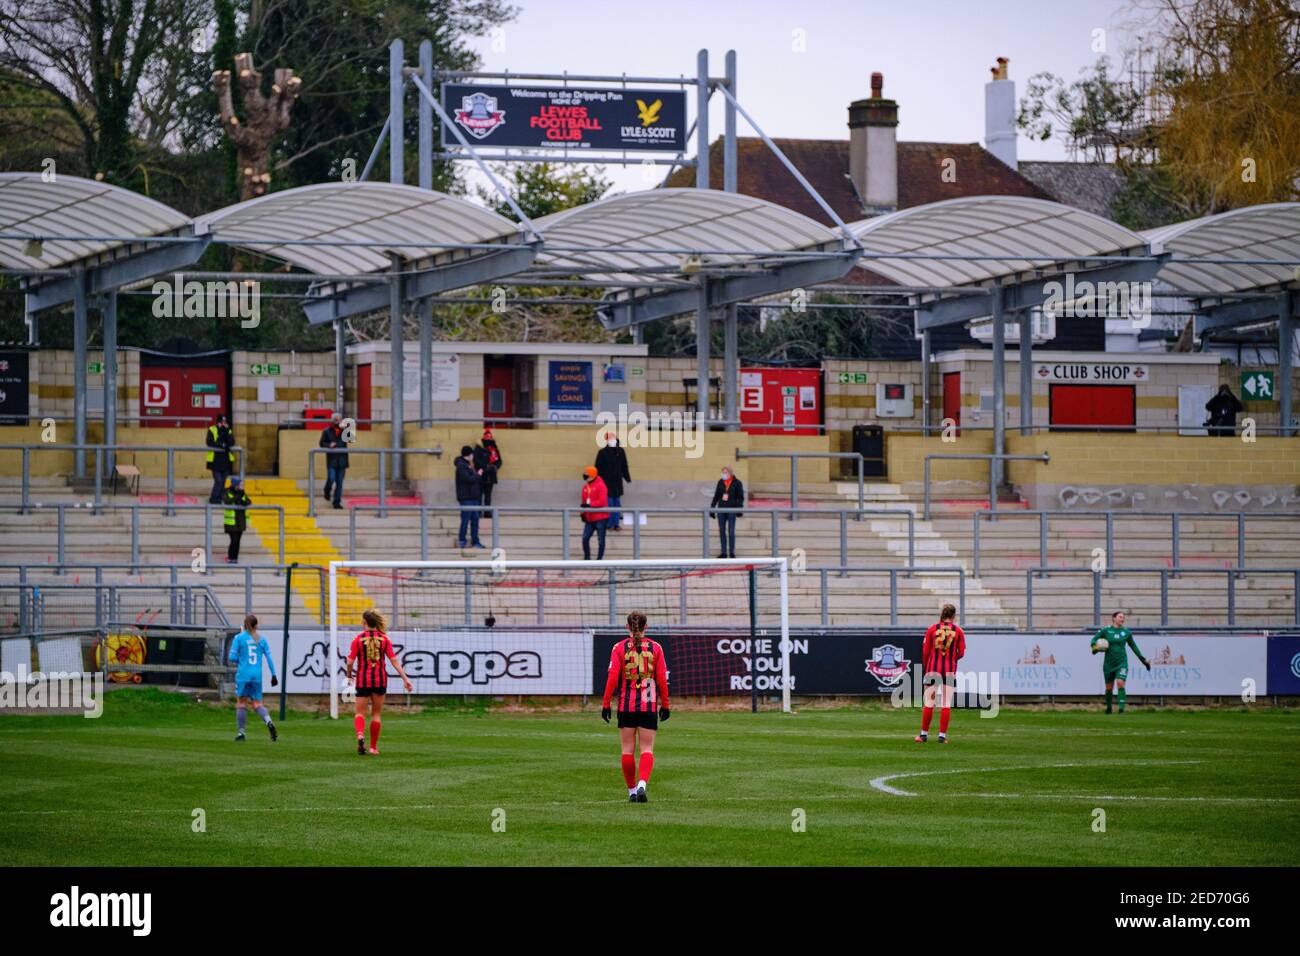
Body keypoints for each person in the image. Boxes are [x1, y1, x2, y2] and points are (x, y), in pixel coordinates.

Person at [600, 610, 669, 802]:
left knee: (627, 750)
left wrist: (606, 704)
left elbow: (612, 678)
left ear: (627, 627)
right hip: (648, 706)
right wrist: (666, 704)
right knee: (647, 749)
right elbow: (662, 679)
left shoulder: (618, 648)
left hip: (626, 706)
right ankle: (642, 785)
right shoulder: (656, 648)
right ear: (646, 627)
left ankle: (631, 792)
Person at [344, 609, 413, 755]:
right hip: (380, 680)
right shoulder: (384, 639)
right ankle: (373, 747)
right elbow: (394, 661)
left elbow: (349, 662)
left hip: (363, 681)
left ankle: (360, 735)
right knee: (376, 714)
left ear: (364, 622)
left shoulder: (357, 639)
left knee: (360, 713)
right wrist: (405, 679)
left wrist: (349, 676)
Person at [915, 603, 966, 743]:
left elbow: (925, 651)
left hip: (932, 669)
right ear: (954, 616)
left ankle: (923, 735)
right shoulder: (958, 631)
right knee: (946, 704)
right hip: (949, 671)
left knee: (929, 702)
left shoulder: (932, 629)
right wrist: (952, 659)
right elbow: (961, 653)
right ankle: (942, 736)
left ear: (942, 614)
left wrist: (927, 666)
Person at [228, 614, 278, 742]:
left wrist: (242, 659)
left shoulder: (239, 638)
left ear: (244, 625)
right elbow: (269, 658)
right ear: (256, 625)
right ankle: (269, 722)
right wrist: (273, 675)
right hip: (257, 676)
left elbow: (232, 657)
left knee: (241, 703)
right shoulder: (261, 639)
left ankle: (241, 733)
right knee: (257, 704)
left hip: (243, 675)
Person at [1091, 610, 1150, 714]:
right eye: (1120, 617)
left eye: (1123, 617)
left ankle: (1121, 709)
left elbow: (1133, 646)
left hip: (1122, 662)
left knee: (1120, 683)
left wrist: (1142, 659)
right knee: (1109, 687)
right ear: (1114, 618)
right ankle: (1109, 708)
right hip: (1109, 663)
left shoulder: (1126, 632)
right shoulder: (1106, 630)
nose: (1122, 619)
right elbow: (1094, 640)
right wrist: (1095, 648)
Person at [594, 432, 631, 531]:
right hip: (606, 483)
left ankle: (616, 524)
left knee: (617, 504)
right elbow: (597, 468)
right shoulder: (602, 453)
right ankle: (609, 524)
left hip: (617, 482)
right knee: (609, 503)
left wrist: (627, 478)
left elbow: (624, 465)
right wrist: (597, 481)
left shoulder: (621, 451)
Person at [710, 465, 745, 558]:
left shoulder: (737, 483)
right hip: (721, 509)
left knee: (731, 531)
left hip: (731, 510)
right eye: (723, 472)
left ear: (730, 473)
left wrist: (739, 509)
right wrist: (712, 508)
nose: (723, 474)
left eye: (725, 472)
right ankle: (724, 552)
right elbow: (716, 496)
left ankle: (732, 552)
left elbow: (740, 497)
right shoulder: (720, 482)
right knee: (722, 531)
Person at [454, 445, 485, 549]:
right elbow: (469, 479)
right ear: (468, 455)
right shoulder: (461, 466)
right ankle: (462, 540)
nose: (473, 456)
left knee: (475, 520)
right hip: (466, 497)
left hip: (474, 497)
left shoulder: (470, 465)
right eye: (472, 454)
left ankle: (475, 541)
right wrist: (478, 475)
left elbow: (474, 480)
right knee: (465, 519)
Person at [319, 413, 349, 509]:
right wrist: (329, 445)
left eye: (339, 419)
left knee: (339, 482)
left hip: (342, 460)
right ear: (332, 420)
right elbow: (321, 443)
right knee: (331, 478)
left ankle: (337, 502)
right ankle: (327, 490)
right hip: (332, 460)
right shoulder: (327, 431)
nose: (338, 421)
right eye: (336, 419)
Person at [580, 465, 609, 560]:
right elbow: (583, 503)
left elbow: (602, 501)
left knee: (601, 540)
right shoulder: (585, 487)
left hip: (600, 518)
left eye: (587, 475)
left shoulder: (601, 485)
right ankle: (587, 557)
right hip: (589, 518)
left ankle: (599, 559)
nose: (585, 476)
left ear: (592, 475)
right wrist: (583, 514)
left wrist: (590, 505)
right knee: (585, 538)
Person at [206, 413, 235, 504]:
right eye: (221, 422)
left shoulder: (228, 430)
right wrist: (222, 445)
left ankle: (220, 498)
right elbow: (210, 442)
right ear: (217, 422)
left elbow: (231, 442)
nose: (223, 424)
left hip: (226, 460)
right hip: (215, 460)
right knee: (218, 480)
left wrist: (226, 431)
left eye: (224, 422)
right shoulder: (212, 429)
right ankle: (214, 498)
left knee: (223, 481)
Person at [222, 476, 251, 563]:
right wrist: (238, 498)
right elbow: (227, 501)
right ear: (235, 485)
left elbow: (248, 501)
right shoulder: (227, 491)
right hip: (231, 522)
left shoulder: (242, 493)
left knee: (238, 541)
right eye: (240, 484)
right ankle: (231, 557)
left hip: (240, 521)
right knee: (234, 540)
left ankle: (235, 558)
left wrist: (243, 501)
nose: (242, 486)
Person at [479, 428, 503, 511]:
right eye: (487, 439)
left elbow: (499, 461)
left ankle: (487, 512)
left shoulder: (495, 450)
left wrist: (495, 467)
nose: (488, 440)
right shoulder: (479, 448)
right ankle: (478, 512)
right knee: (479, 494)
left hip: (491, 475)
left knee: (488, 495)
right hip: (481, 475)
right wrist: (486, 467)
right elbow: (477, 460)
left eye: (490, 439)